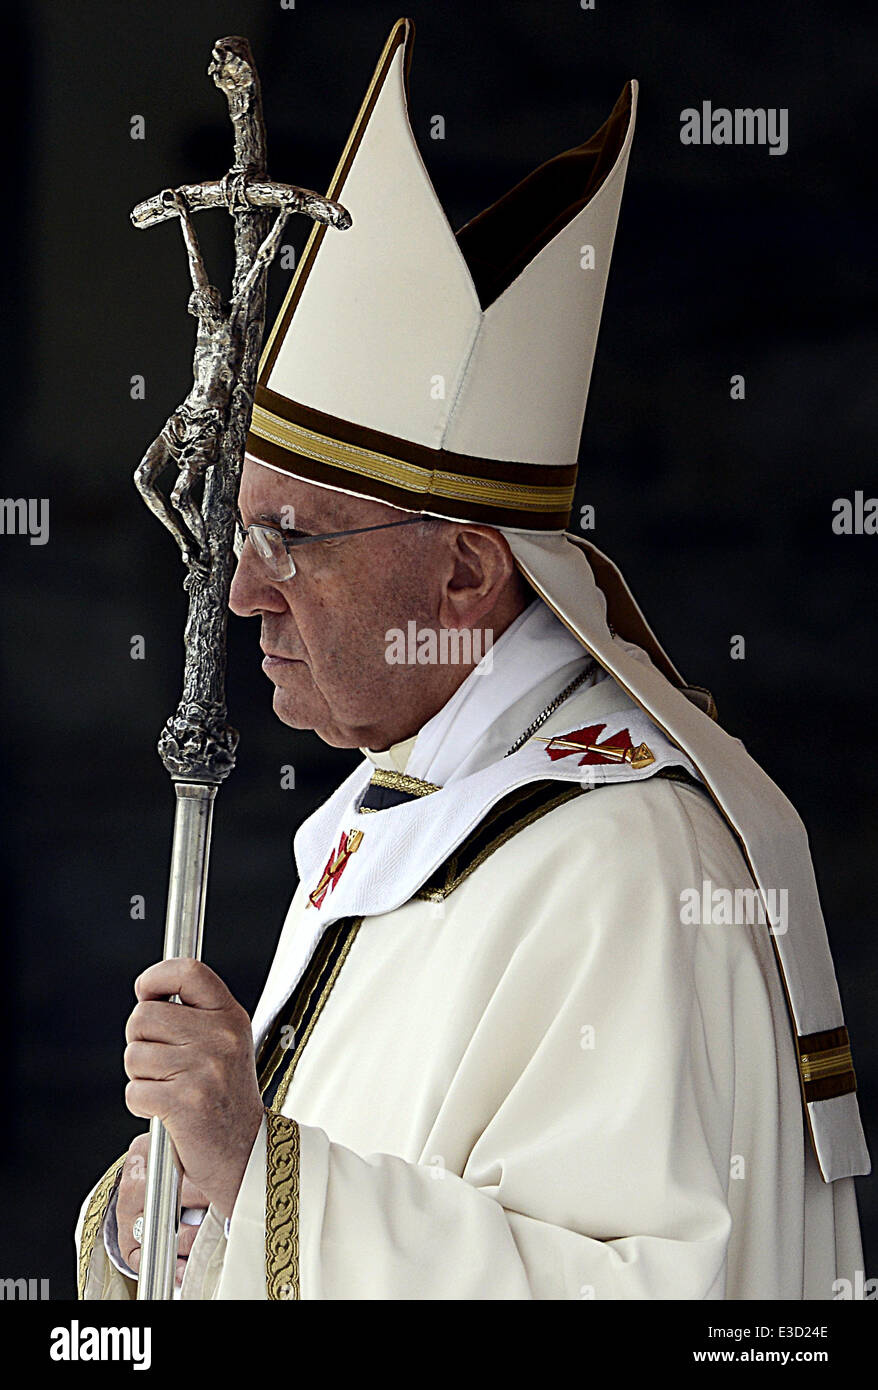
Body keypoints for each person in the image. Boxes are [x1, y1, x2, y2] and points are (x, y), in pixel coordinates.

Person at [75, 17, 869, 1300]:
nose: (239, 594)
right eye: (241, 529)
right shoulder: (397, 825)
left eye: (294, 538)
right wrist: (160, 1211)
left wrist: (260, 1167)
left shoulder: (628, 865)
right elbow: (248, 1209)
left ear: (463, 571)